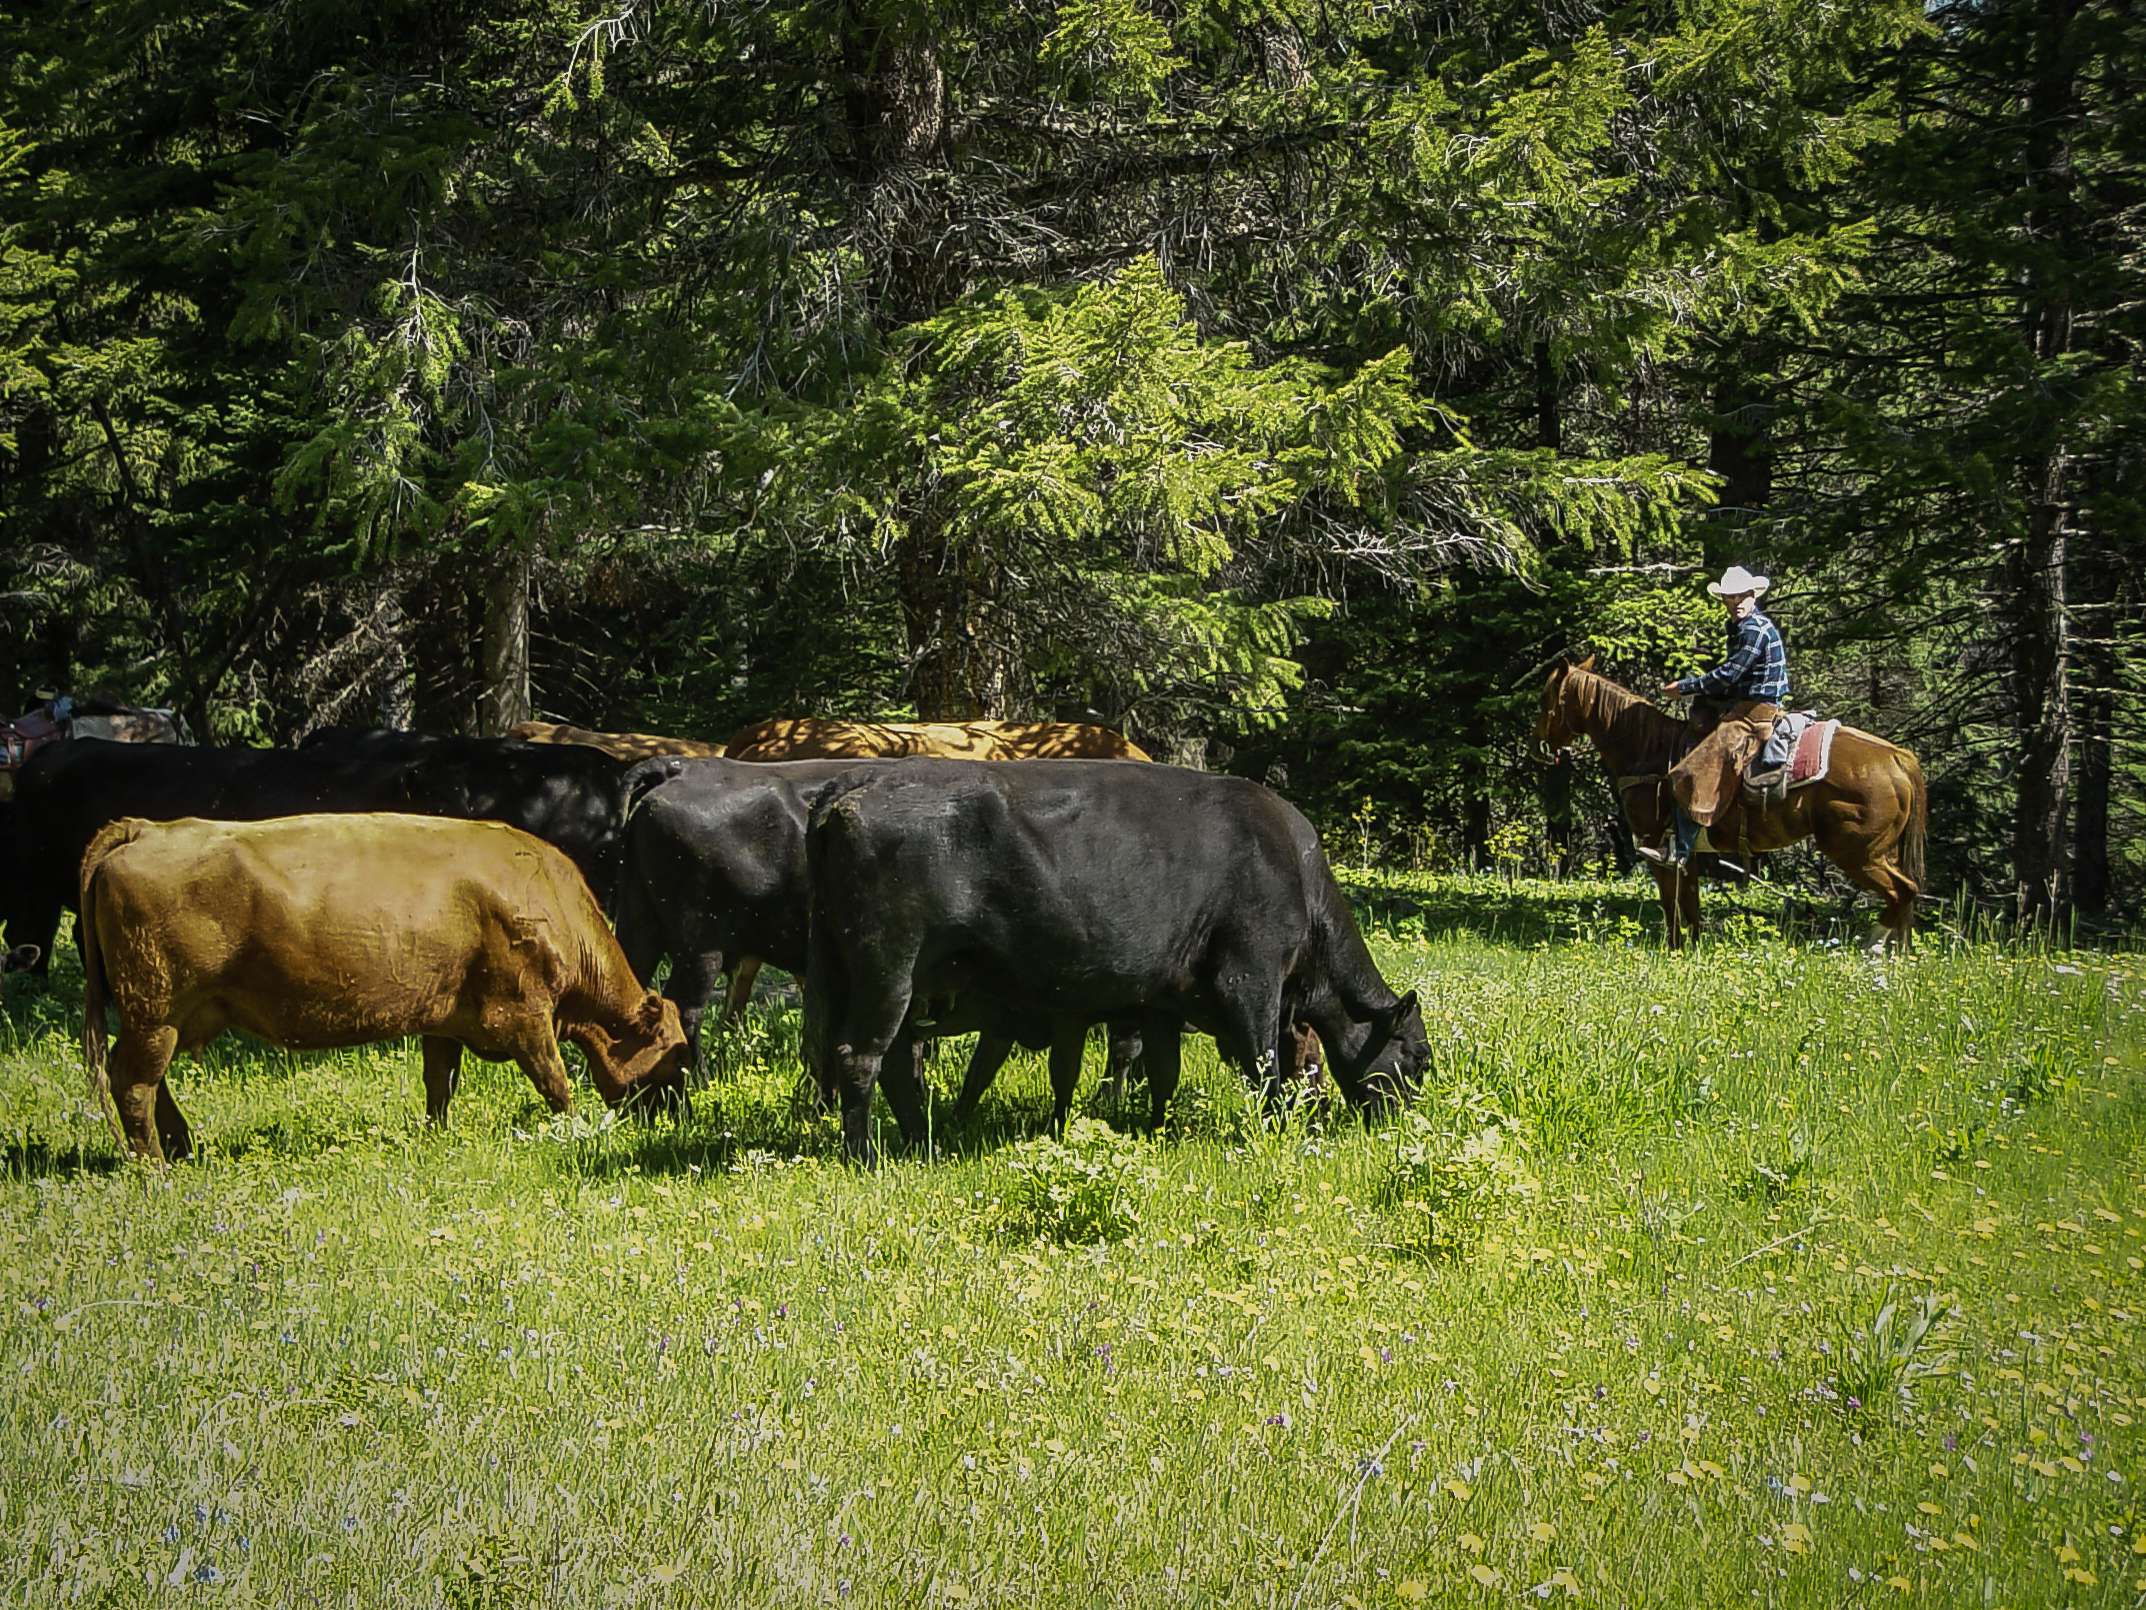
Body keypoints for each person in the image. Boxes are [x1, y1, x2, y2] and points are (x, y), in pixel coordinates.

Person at [1638, 564, 1790, 872]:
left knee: (1696, 767)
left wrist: (1685, 687)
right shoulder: (1747, 626)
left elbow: (1731, 674)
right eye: (1730, 597)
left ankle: (1680, 852)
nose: (1736, 602)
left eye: (1742, 596)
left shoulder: (1752, 630)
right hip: (1752, 704)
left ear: (1752, 596)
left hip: (1753, 712)